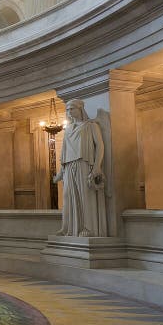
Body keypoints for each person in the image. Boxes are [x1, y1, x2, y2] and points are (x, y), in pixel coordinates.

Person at [53, 99, 107, 237]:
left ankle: (87, 228)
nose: (69, 112)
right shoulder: (68, 129)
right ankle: (68, 228)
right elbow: (63, 152)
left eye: (72, 108)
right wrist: (60, 172)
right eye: (67, 110)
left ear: (80, 109)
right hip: (68, 166)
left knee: (85, 196)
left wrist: (97, 167)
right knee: (68, 198)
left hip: (83, 163)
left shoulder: (90, 126)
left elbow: (100, 146)